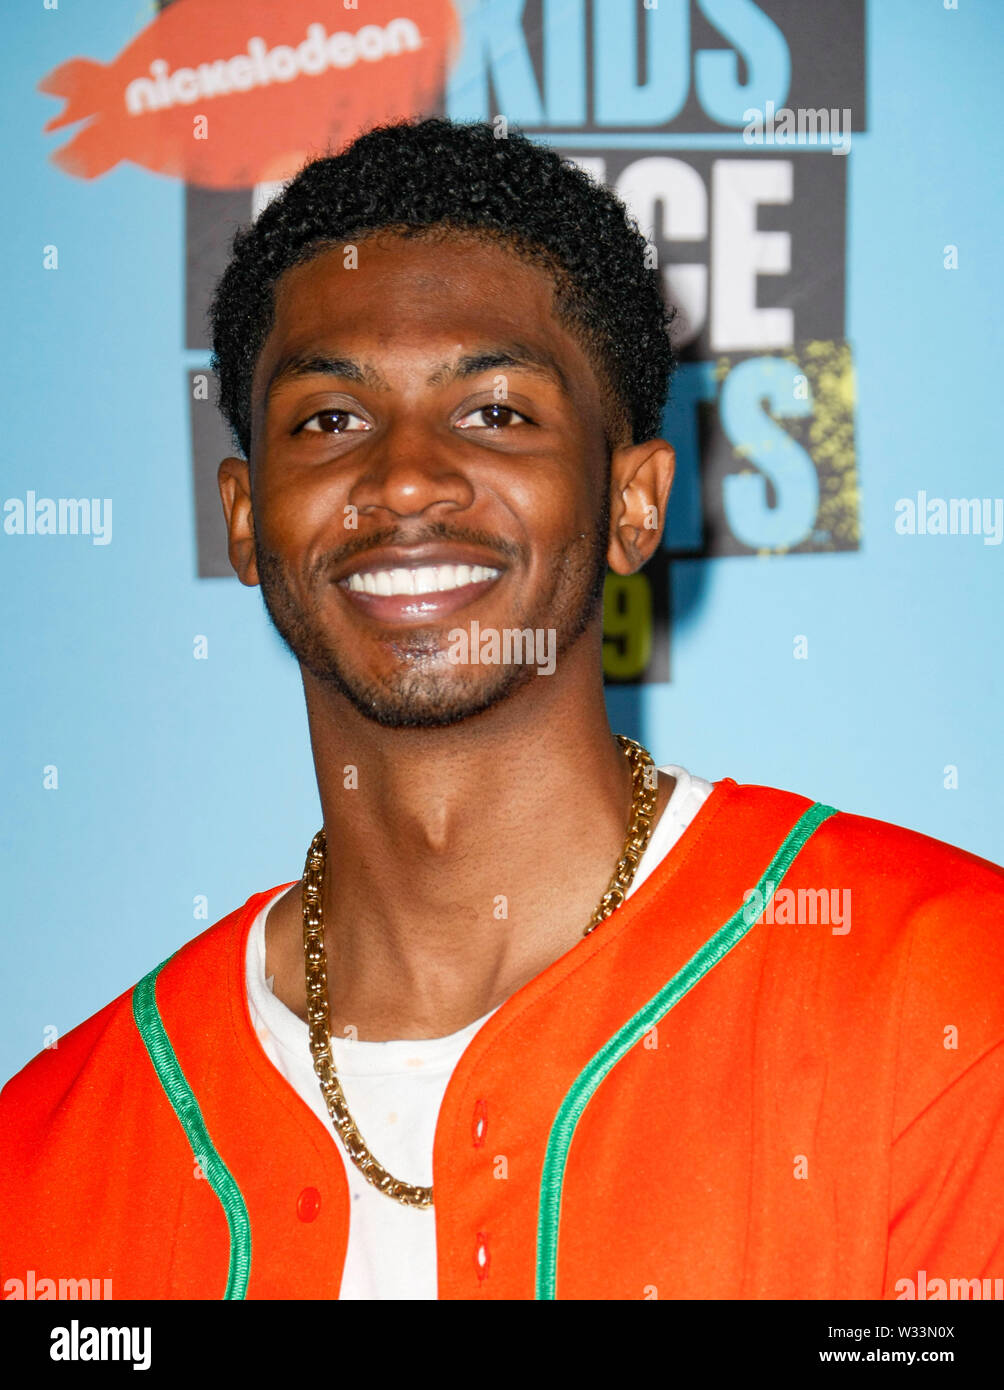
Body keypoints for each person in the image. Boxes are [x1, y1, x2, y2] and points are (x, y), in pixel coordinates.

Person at [2, 117, 1002, 1303]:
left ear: (633, 504)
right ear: (241, 516)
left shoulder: (944, 1003)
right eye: (329, 419)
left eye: (495, 411)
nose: (405, 476)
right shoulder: (47, 1153)